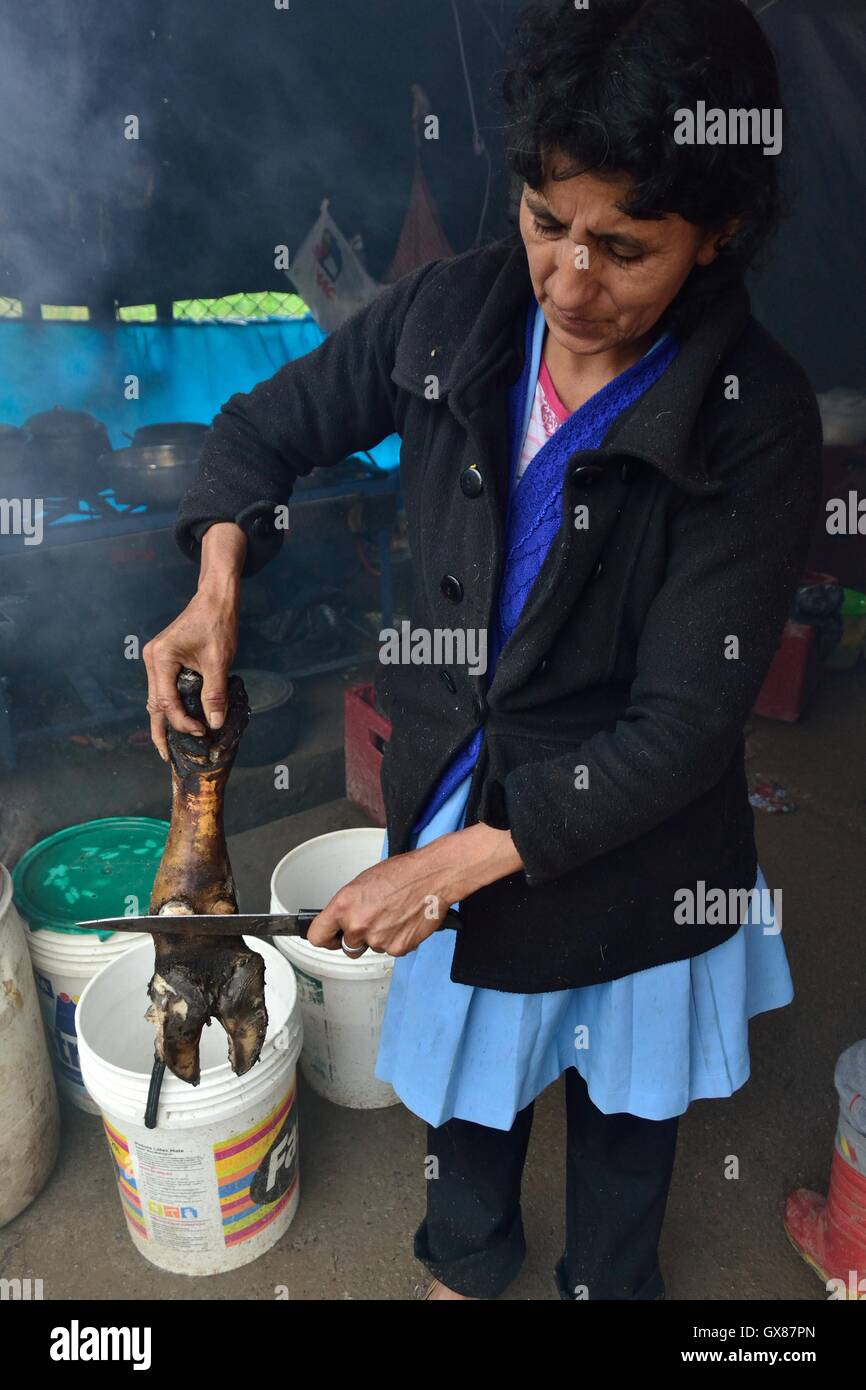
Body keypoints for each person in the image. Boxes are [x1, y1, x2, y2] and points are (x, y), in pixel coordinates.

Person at [144, 0, 823, 1300]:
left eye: (623, 249)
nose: (567, 282)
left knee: (627, 1116)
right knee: (469, 1095)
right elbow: (262, 427)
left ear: (716, 234)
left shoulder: (752, 413)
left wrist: (461, 865)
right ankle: (467, 1269)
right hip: (460, 790)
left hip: (629, 842)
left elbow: (684, 726)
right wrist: (217, 572)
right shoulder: (453, 310)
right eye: (543, 219)